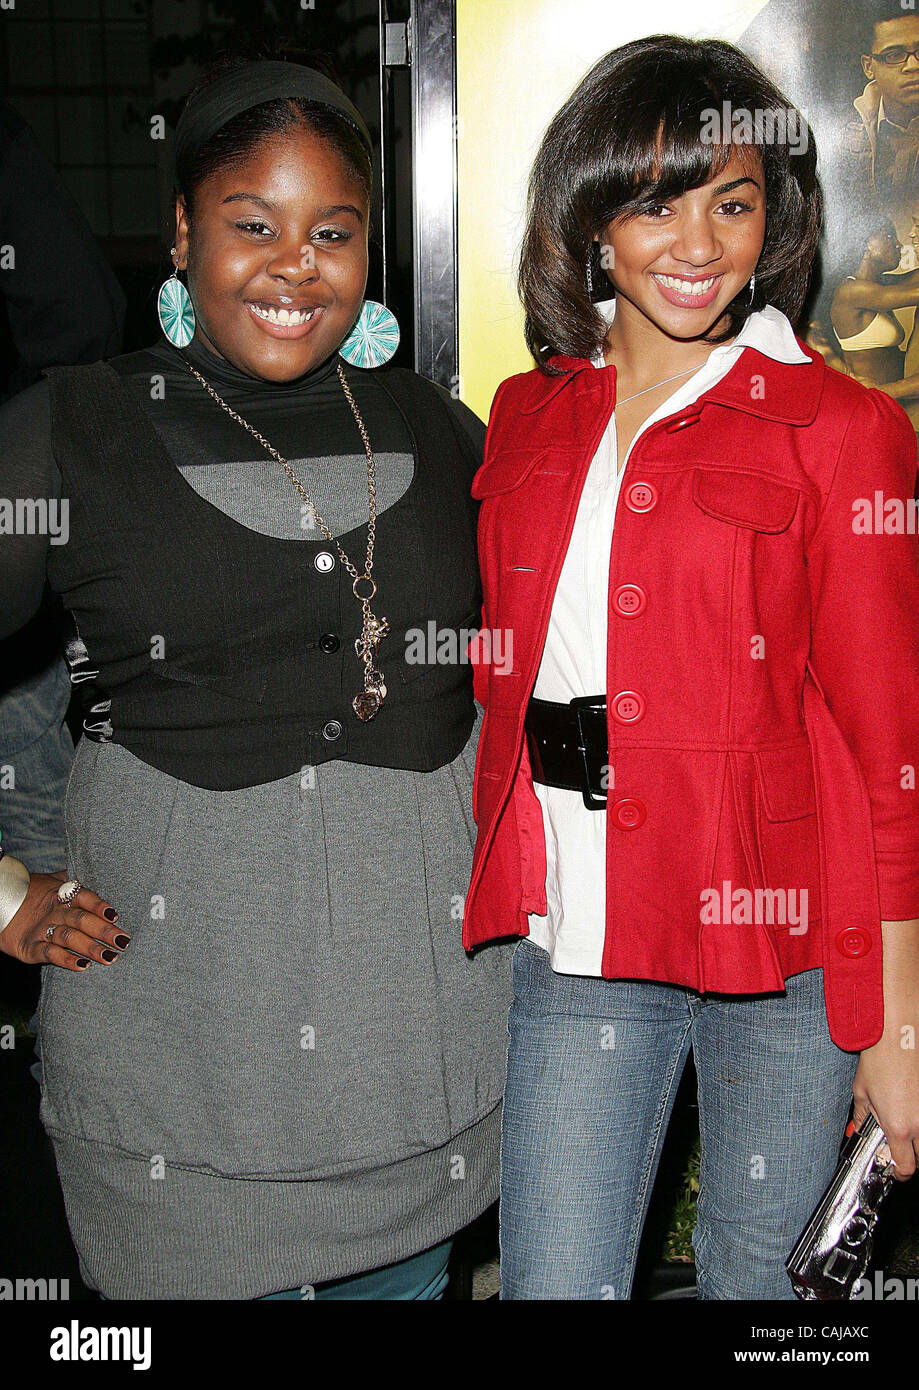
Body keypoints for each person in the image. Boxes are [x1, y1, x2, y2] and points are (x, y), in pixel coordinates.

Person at [0, 51, 513, 1300]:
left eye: (332, 232)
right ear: (182, 232)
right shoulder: (72, 427)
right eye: (253, 225)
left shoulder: (448, 434)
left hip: (420, 1089)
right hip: (177, 1111)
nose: (297, 265)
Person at [462, 35, 919, 1299]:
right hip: (588, 925)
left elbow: (890, 750)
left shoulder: (838, 428)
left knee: (756, 1289)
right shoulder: (526, 413)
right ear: (589, 215)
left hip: (785, 940)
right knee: (554, 1280)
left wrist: (899, 1019)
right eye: (655, 200)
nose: (698, 242)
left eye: (733, 202)